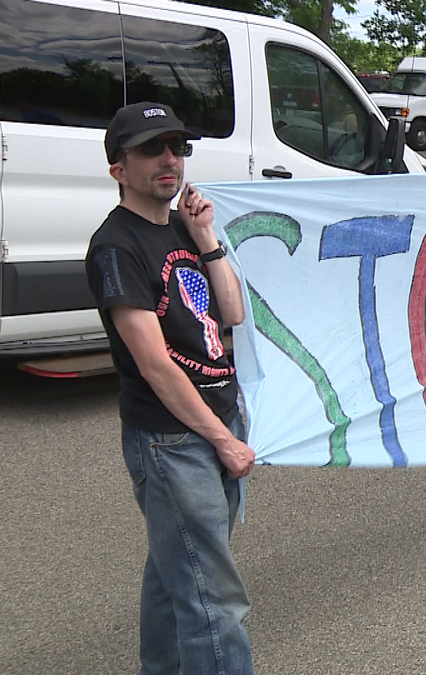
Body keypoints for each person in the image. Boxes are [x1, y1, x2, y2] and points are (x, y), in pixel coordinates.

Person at [86, 101, 256, 674]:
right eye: (151, 149)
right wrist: (222, 440)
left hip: (217, 418)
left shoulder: (186, 226)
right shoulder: (116, 247)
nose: (169, 160)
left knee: (174, 570)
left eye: (177, 148)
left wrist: (206, 235)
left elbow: (230, 312)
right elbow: (156, 367)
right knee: (216, 601)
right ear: (118, 169)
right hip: (172, 440)